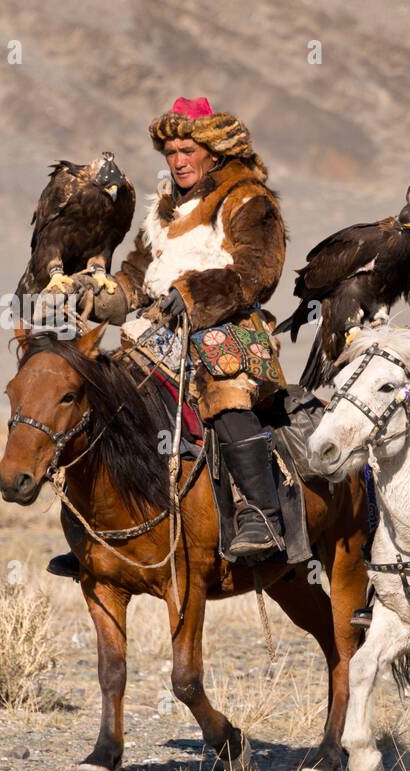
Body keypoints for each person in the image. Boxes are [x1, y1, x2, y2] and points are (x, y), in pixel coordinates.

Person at [42, 96, 290, 576]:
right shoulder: (161, 211)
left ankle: (262, 514)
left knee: (225, 396)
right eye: (170, 152)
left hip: (229, 331)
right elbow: (136, 278)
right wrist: (95, 293)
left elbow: (257, 272)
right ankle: (98, 535)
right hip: (156, 334)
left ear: (213, 152)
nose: (177, 161)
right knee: (103, 394)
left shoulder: (248, 200)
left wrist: (193, 293)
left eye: (187, 150)